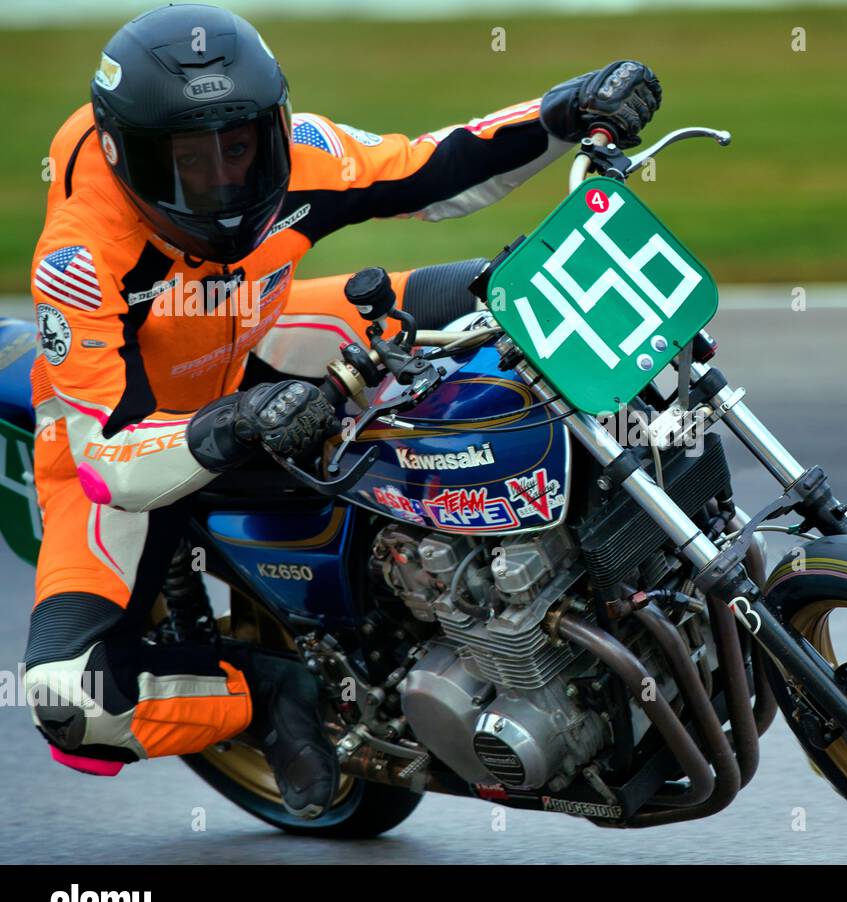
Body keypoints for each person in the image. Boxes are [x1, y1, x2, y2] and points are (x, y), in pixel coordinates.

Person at [23, 2, 661, 818]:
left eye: (242, 147)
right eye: (189, 160)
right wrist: (236, 423)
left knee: (498, 286)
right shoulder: (79, 258)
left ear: (273, 124)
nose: (224, 177)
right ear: (125, 155)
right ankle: (267, 693)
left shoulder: (301, 156)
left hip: (262, 332)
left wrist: (565, 110)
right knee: (67, 699)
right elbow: (105, 453)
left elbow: (436, 167)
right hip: (119, 433)